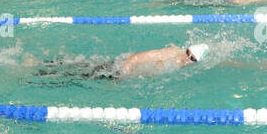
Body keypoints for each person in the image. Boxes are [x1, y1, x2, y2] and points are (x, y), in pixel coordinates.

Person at [33, 43, 210, 80]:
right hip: (116, 70)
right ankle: (37, 66)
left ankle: (46, 65)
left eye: (192, 58)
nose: (187, 58)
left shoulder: (181, 64)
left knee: (77, 72)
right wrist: (121, 76)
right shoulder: (171, 53)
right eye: (188, 53)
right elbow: (136, 58)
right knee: (75, 75)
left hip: (118, 72)